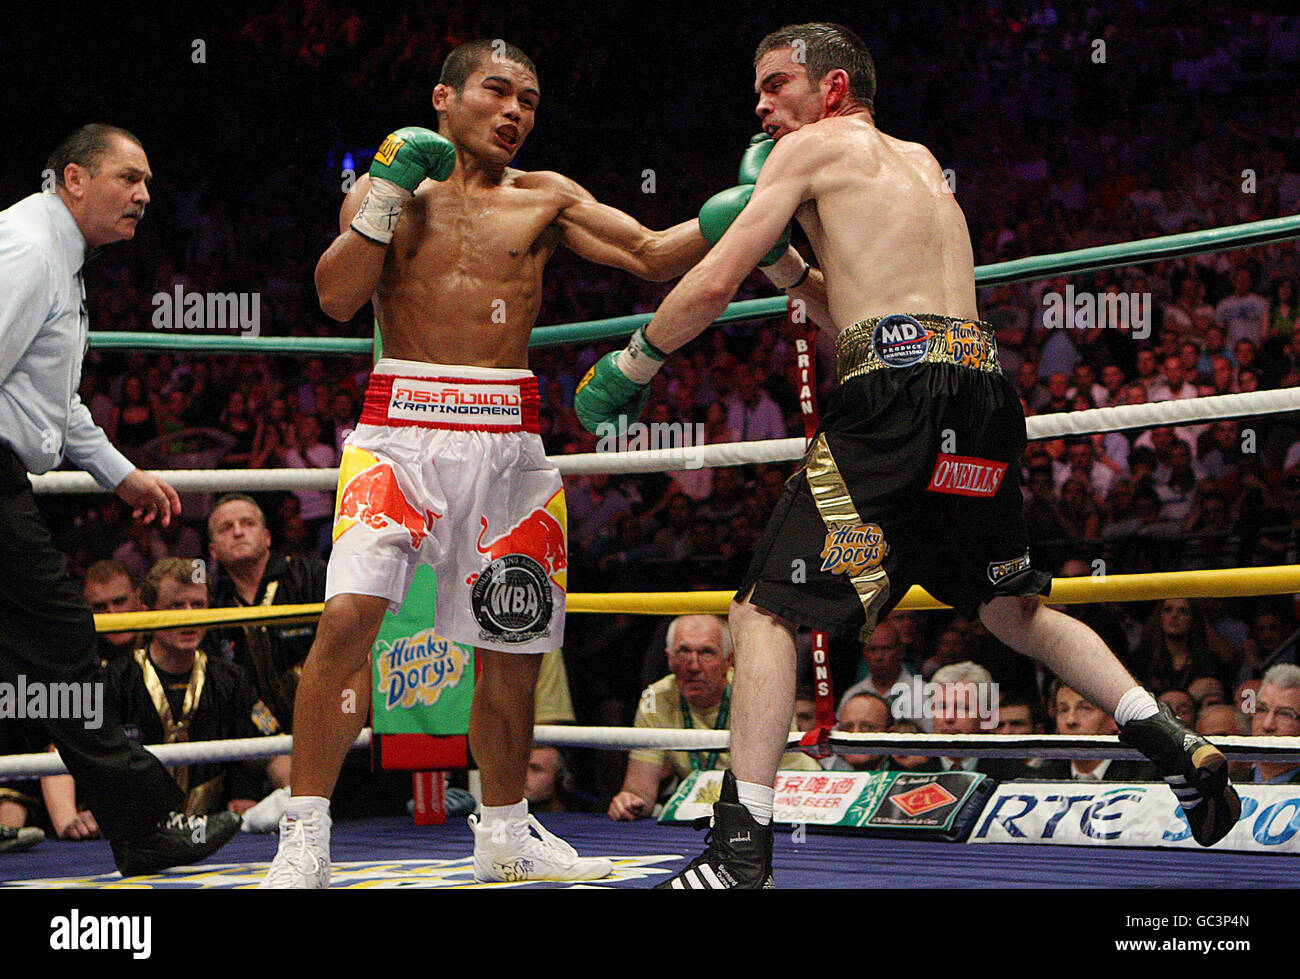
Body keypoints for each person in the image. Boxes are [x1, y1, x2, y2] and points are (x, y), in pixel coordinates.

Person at [576, 24, 1240, 886]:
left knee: (764, 611)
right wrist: (789, 269)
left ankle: (741, 849)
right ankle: (1167, 735)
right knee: (1010, 609)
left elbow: (708, 282)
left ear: (834, 88)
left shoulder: (809, 149)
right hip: (980, 391)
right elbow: (857, 311)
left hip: (895, 405)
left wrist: (632, 363)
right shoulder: (920, 161)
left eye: (777, 84)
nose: (762, 104)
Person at [263, 39, 713, 887]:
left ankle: (504, 833)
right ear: (444, 98)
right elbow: (335, 295)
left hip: (508, 440)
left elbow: (653, 253)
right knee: (348, 620)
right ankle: (305, 835)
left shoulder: (547, 197)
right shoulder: (388, 187)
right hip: (397, 429)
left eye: (531, 102)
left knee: (510, 647)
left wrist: (760, 197)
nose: (515, 113)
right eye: (497, 93)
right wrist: (388, 189)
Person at [0, 123, 240, 875]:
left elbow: (54, 398)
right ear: (74, 178)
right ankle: (149, 820)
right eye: (127, 179)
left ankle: (145, 825)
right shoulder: (32, 250)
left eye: (147, 184)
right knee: (65, 641)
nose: (142, 196)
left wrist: (120, 471)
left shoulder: (60, 260)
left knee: (52, 651)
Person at [43, 559, 289, 826]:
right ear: (148, 612)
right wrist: (67, 820)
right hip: (131, 831)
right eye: (176, 606)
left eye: (198, 605)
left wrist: (291, 800)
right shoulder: (114, 679)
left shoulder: (230, 678)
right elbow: (60, 752)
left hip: (215, 831)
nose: (188, 615)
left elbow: (275, 748)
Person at [608, 614, 818, 821]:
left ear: (729, 661)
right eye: (683, 652)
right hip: (714, 812)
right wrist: (630, 802)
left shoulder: (760, 695)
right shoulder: (656, 698)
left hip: (799, 800)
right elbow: (640, 792)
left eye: (707, 652)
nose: (693, 666)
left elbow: (785, 778)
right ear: (669, 658)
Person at [207, 493, 326, 730]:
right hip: (250, 739)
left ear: (267, 537)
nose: (238, 532)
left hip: (325, 722)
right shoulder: (212, 602)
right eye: (226, 528)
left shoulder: (309, 575)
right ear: (213, 550)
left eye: (248, 523)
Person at [81, 559, 146, 660]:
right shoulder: (81, 663)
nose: (112, 612)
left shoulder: (170, 651)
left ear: (138, 599)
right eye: (100, 607)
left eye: (119, 602)